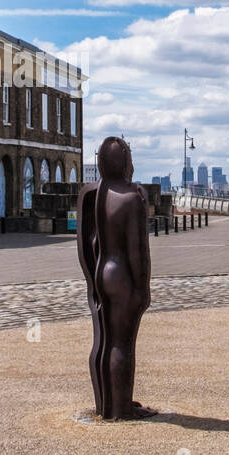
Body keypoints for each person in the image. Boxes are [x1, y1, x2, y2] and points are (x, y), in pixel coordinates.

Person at [76, 136, 156, 420]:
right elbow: (138, 252)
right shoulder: (132, 197)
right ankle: (120, 408)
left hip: (101, 272)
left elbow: (83, 245)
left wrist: (91, 279)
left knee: (103, 338)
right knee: (122, 341)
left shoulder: (92, 194)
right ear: (125, 163)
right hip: (122, 276)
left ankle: (107, 403)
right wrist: (142, 287)